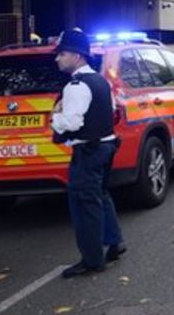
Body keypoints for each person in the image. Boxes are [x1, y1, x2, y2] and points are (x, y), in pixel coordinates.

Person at [51, 28, 125, 278]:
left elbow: (72, 123)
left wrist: (55, 118)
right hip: (106, 146)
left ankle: (92, 260)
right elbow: (110, 110)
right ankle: (114, 242)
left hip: (88, 151)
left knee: (84, 205)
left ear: (77, 56)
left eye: (62, 54)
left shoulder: (76, 85)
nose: (57, 59)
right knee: (101, 196)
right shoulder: (101, 81)